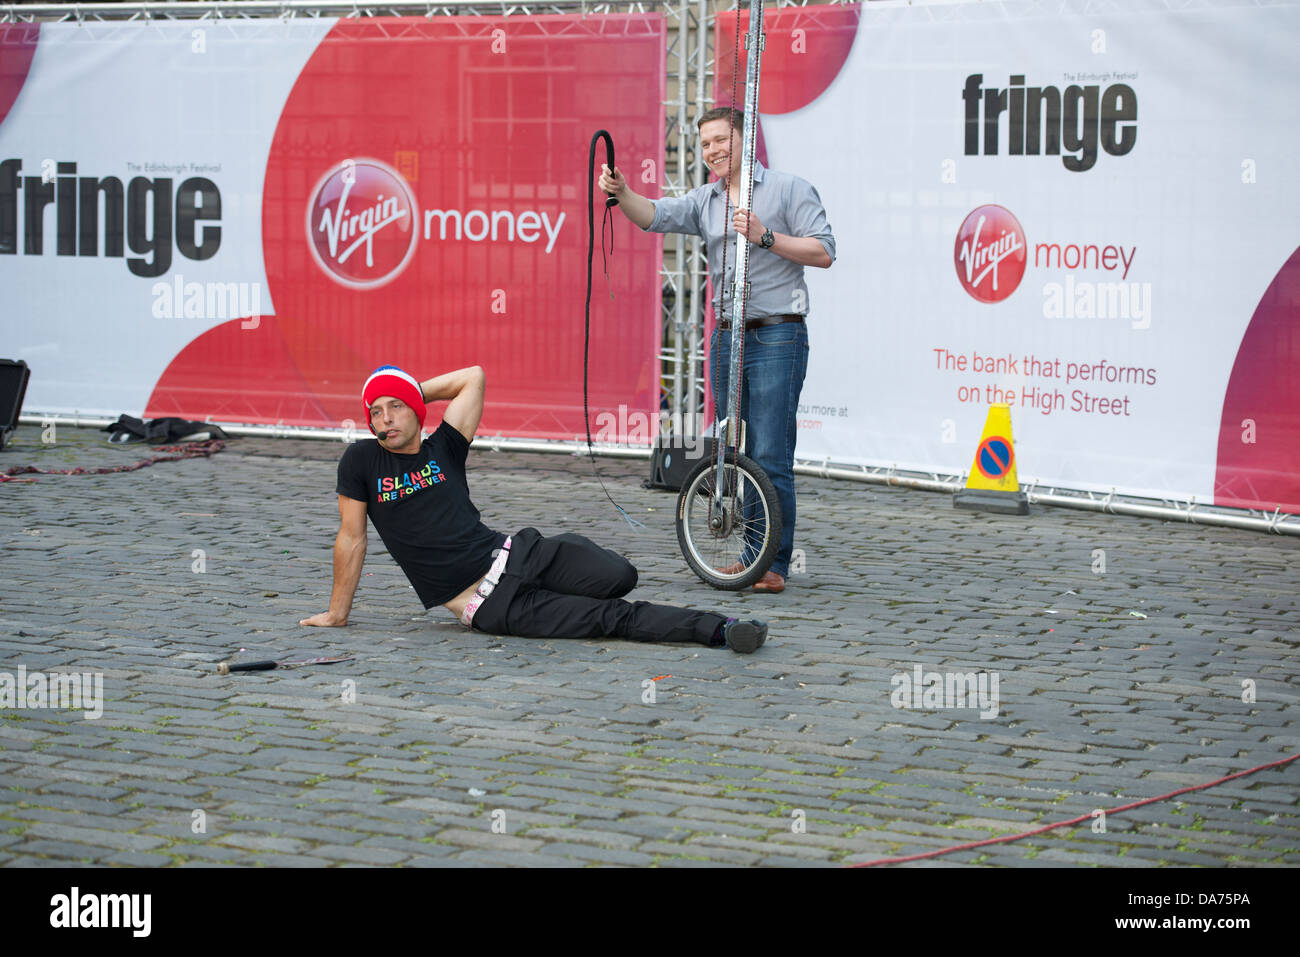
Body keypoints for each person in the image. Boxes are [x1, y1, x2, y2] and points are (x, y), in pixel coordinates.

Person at [300, 364, 768, 653]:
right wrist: (337, 613)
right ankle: (723, 630)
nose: (385, 419)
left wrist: (406, 388)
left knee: (620, 576)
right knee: (612, 618)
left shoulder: (444, 446)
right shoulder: (362, 460)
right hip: (492, 601)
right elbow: (352, 537)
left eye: (394, 407)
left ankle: (576, 604)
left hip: (520, 551)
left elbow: (473, 377)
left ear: (415, 409)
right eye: (376, 412)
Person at [598, 106, 835, 594]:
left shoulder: (790, 189)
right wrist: (622, 194)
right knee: (734, 449)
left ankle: (768, 565)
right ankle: (753, 558)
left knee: (770, 453)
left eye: (720, 140)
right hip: (728, 335)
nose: (712, 150)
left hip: (777, 333)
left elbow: (824, 251)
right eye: (704, 144)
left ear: (744, 140)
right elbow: (656, 215)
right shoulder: (706, 200)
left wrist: (764, 237)